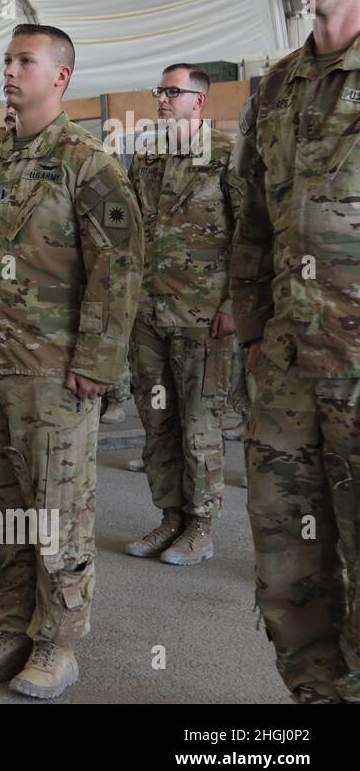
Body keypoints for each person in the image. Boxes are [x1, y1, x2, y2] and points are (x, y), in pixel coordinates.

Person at [0, 23, 142, 698]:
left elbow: (119, 269)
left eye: (24, 61)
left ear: (60, 76)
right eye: (6, 60)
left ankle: (58, 644)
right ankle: (12, 629)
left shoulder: (89, 164)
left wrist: (97, 360)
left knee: (57, 511)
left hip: (54, 369)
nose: (9, 71)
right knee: (2, 509)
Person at [232, 0, 360, 704]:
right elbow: (249, 219)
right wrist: (251, 335)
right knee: (287, 560)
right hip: (286, 369)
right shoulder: (278, 86)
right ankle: (317, 700)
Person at [124, 64, 242, 566]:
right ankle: (170, 516)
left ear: (200, 100)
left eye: (174, 91)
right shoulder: (146, 156)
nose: (163, 98)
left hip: (202, 315)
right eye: (160, 90)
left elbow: (249, 232)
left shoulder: (227, 156)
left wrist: (236, 302)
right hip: (148, 312)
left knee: (199, 422)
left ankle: (201, 525)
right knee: (157, 419)